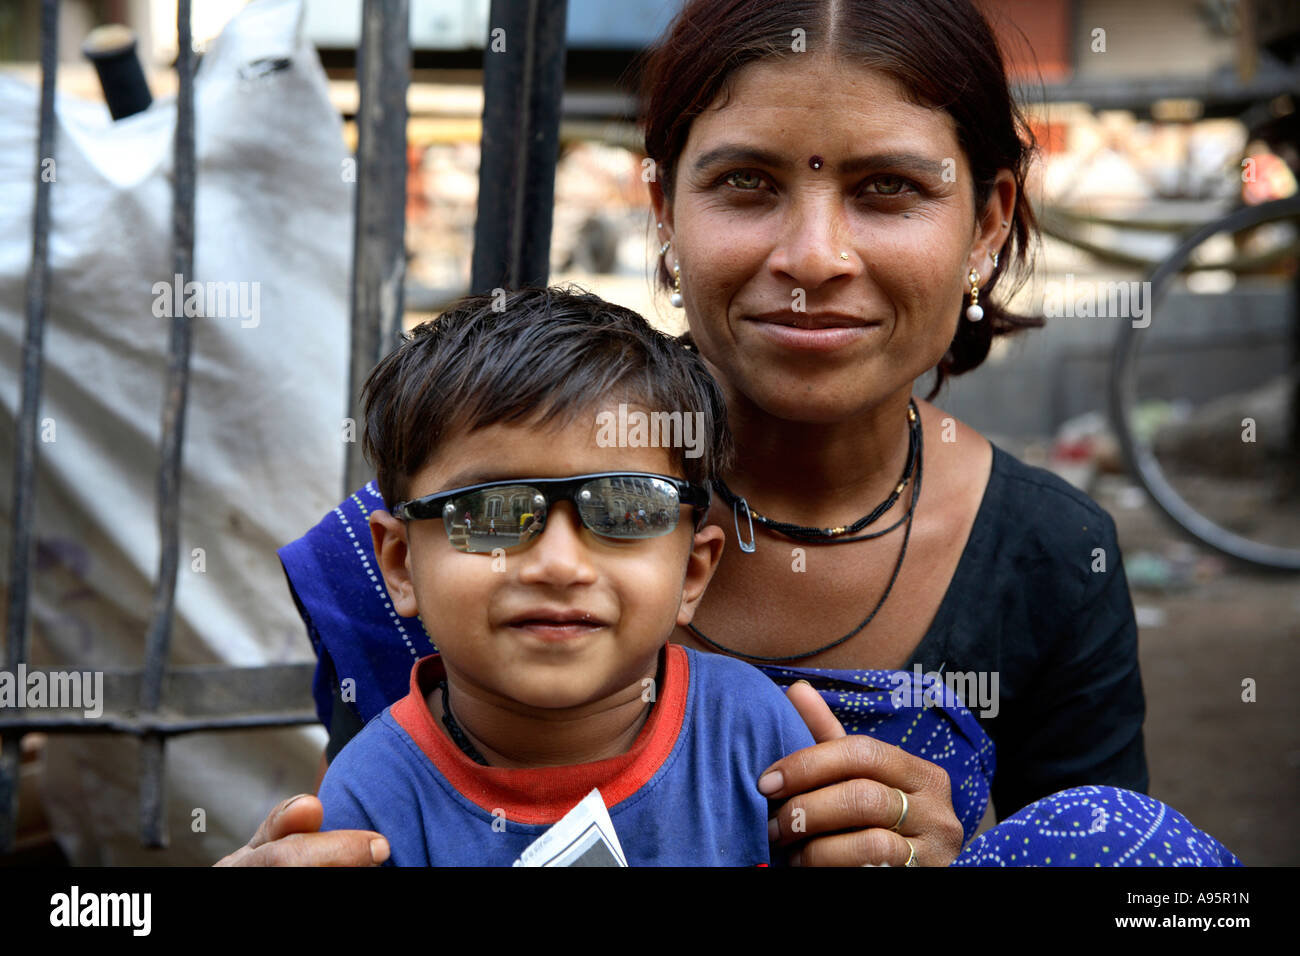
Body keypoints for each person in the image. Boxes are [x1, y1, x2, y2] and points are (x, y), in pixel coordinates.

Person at [219, 0, 1240, 867]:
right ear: (663, 210)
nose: (813, 255)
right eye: (746, 183)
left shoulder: (1054, 554)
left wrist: (961, 849)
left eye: (888, 187)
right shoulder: (413, 547)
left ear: (984, 221)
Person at [315, 287, 819, 865]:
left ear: (692, 573)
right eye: (490, 512)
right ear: (402, 564)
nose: (558, 564)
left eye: (625, 508)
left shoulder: (748, 732)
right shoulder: (372, 799)